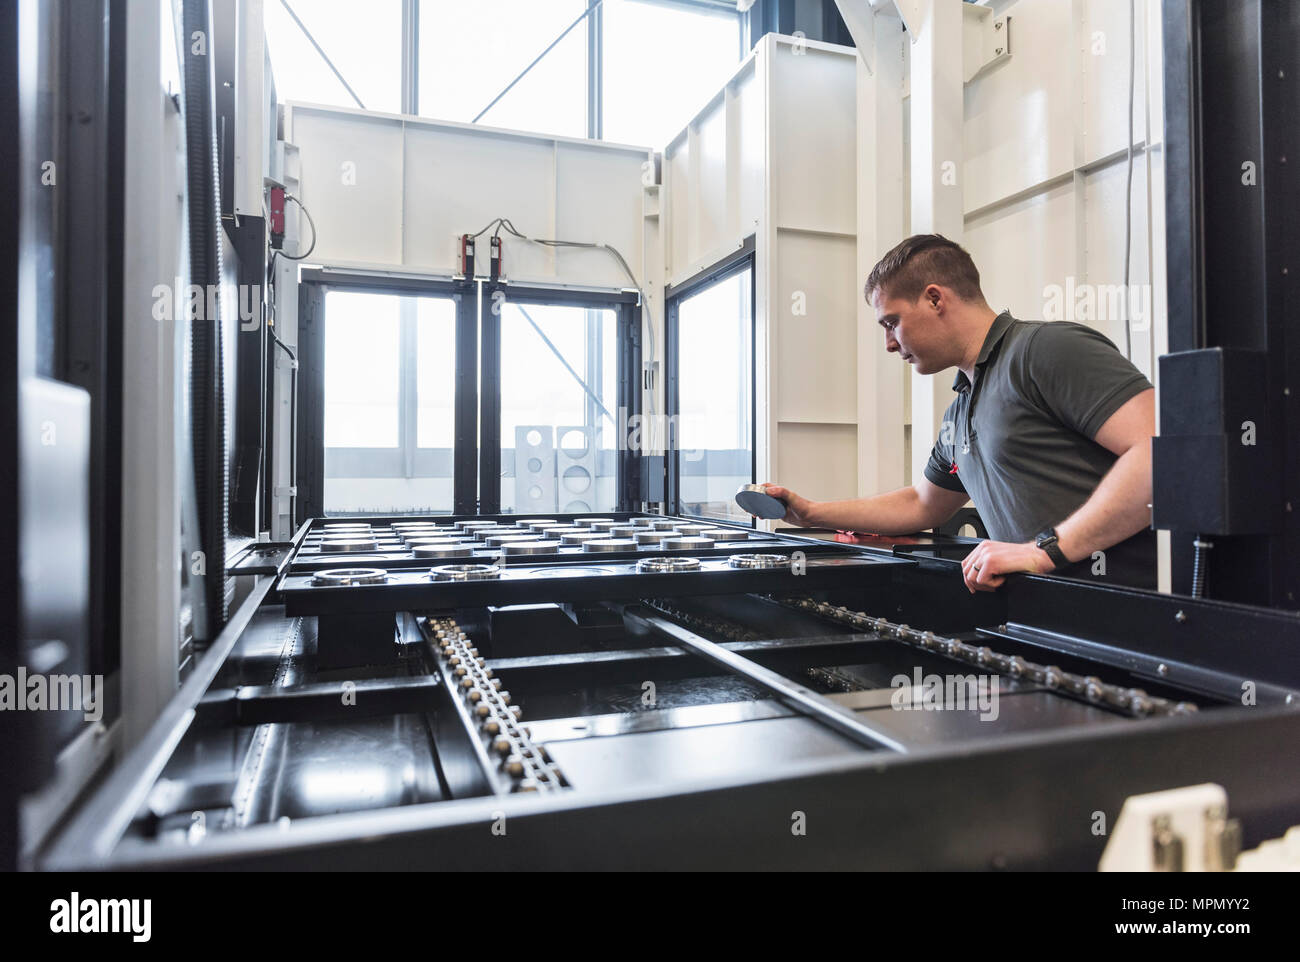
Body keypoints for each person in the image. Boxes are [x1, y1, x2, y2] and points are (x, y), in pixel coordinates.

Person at [761, 233, 1157, 592]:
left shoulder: (1044, 350)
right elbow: (922, 503)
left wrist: (1044, 551)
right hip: (1039, 619)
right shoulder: (960, 409)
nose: (888, 343)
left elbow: (1158, 450)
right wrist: (811, 512)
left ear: (935, 299)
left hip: (1124, 614)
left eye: (891, 322)